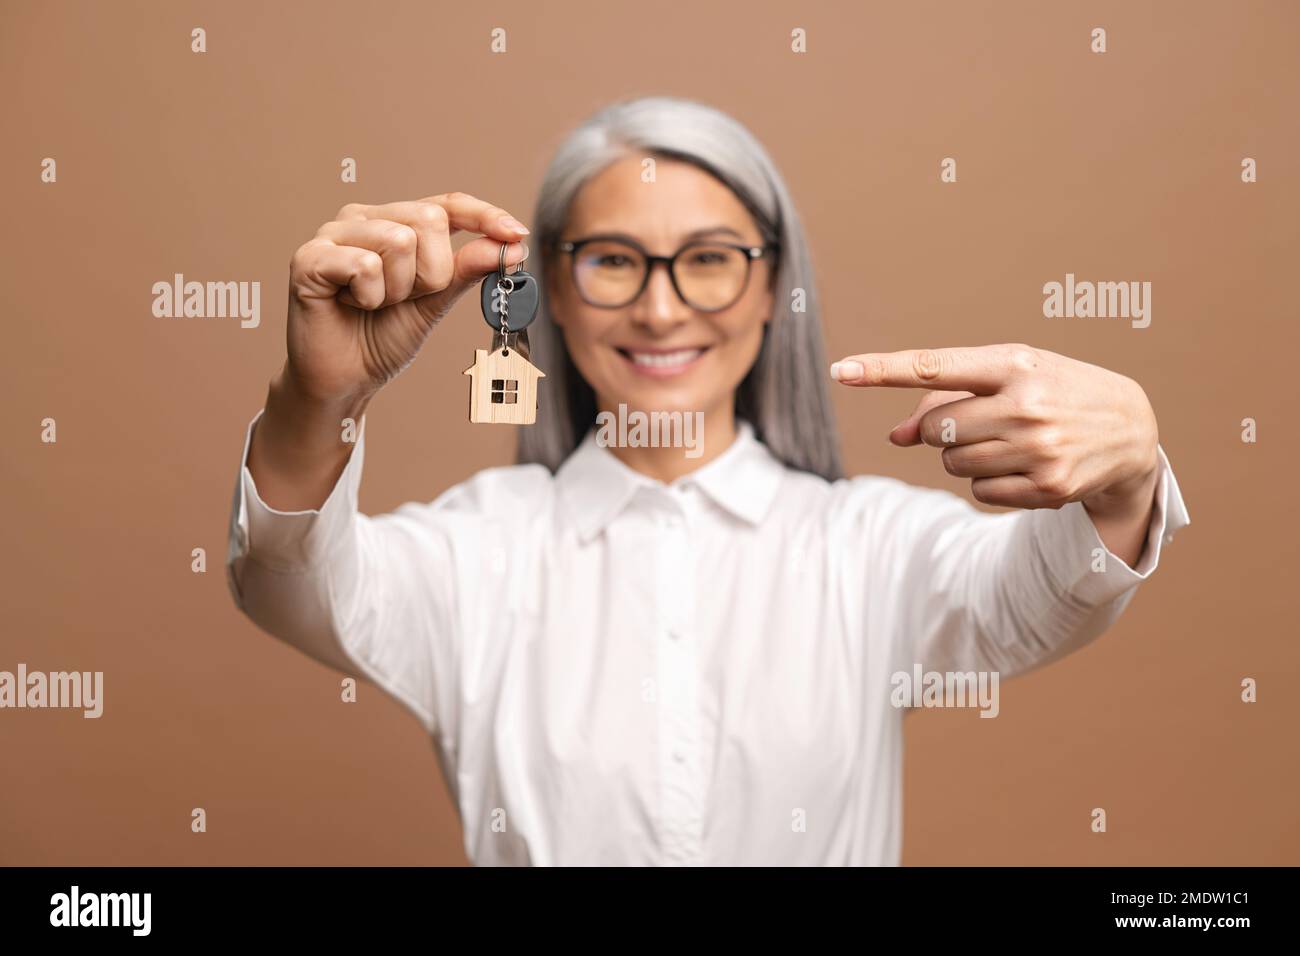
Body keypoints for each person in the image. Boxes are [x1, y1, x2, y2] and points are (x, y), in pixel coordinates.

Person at [225, 95, 1189, 866]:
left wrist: (1124, 474)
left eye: (710, 261)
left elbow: (1041, 596)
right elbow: (289, 582)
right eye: (612, 261)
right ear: (550, 292)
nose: (660, 307)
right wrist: (318, 399)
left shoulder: (869, 548)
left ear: (773, 286)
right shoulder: (476, 554)